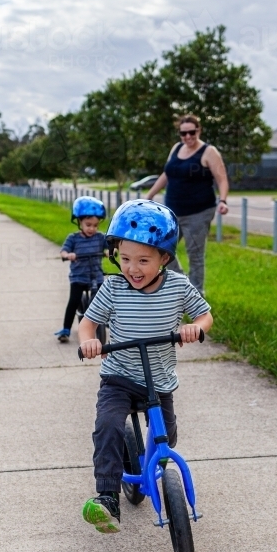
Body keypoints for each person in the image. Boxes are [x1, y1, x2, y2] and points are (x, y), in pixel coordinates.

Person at [77, 199, 213, 533]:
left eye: (143, 260)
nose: (132, 268)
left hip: (159, 380)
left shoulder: (179, 287)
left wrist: (195, 328)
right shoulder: (113, 287)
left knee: (167, 436)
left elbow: (204, 315)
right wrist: (88, 340)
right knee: (107, 425)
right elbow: (88, 324)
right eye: (124, 259)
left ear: (165, 258)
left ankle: (154, 466)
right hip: (119, 377)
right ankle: (107, 497)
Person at [145, 114, 230, 295]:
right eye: (184, 133)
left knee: (195, 255)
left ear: (198, 130)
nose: (188, 137)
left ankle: (196, 295)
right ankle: (183, 284)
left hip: (199, 212)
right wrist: (150, 194)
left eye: (192, 132)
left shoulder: (209, 152)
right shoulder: (176, 148)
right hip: (172, 212)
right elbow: (167, 174)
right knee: (161, 248)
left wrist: (222, 200)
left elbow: (222, 179)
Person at [56, 196, 109, 343]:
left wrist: (110, 251)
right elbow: (63, 252)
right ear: (79, 222)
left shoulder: (100, 237)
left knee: (105, 300)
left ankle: (107, 322)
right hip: (79, 277)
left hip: (96, 276)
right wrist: (68, 255)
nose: (92, 228)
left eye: (95, 225)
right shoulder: (73, 238)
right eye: (88, 224)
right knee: (73, 301)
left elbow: (110, 247)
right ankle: (66, 329)